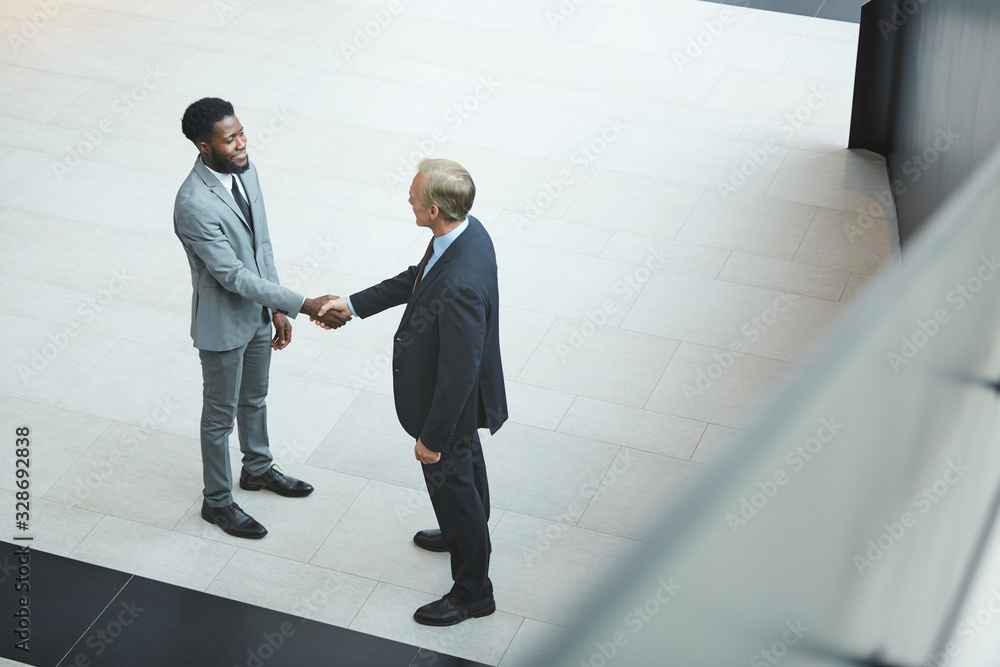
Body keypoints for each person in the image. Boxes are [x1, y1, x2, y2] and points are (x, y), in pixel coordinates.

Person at [316, 158, 508, 626]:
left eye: (415, 195)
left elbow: (458, 373)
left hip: (449, 407)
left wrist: (433, 439)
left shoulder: (461, 284)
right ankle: (461, 531)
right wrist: (355, 304)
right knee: (466, 473)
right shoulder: (465, 232)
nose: (408, 198)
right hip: (460, 403)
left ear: (438, 209)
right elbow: (418, 279)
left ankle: (472, 592)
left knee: (453, 482)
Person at [174, 97, 350, 539]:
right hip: (222, 325)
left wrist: (275, 308)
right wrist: (303, 303)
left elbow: (262, 247)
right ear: (203, 146)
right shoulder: (193, 203)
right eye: (229, 139)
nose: (241, 144)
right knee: (219, 417)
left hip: (256, 314)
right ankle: (216, 502)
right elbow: (231, 275)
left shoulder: (246, 171)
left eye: (241, 133)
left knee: (255, 398)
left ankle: (257, 469)